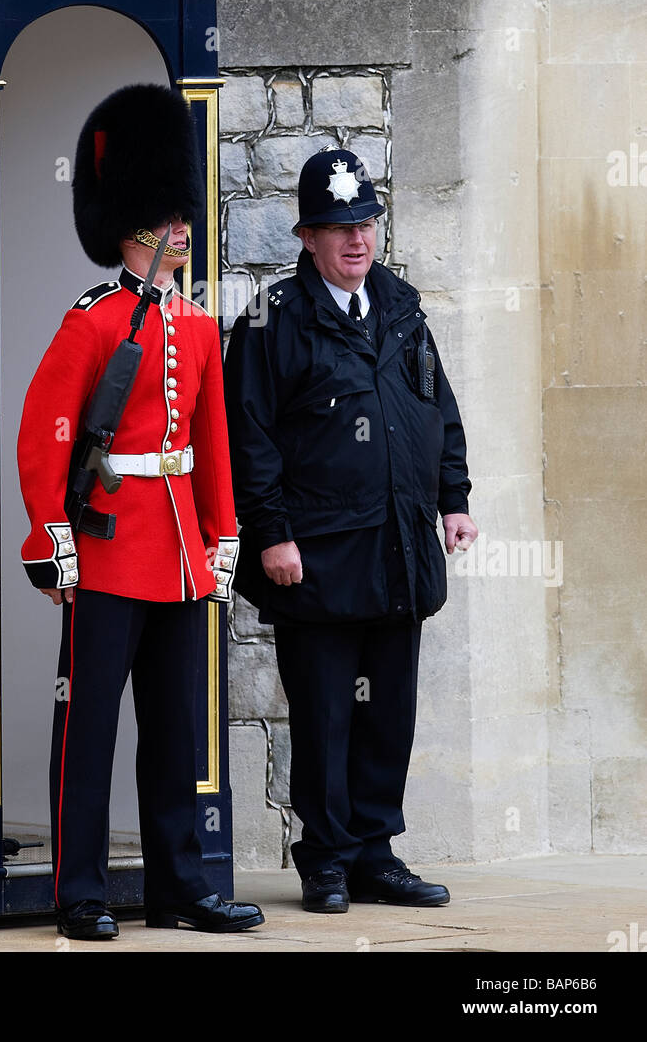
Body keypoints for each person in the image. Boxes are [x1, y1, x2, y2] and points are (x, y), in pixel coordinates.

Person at [17, 84, 263, 940]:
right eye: (167, 215)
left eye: (181, 213)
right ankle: (78, 893)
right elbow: (45, 438)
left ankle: (179, 887)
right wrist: (51, 535)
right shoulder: (92, 322)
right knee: (89, 735)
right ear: (132, 227)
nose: (183, 229)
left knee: (175, 734)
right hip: (110, 550)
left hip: (180, 554)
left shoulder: (196, 327)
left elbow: (212, 445)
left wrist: (222, 534)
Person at [223, 148, 478, 913]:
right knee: (328, 714)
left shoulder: (401, 308)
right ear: (307, 237)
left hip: (398, 551)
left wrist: (454, 497)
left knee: (386, 712)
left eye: (365, 222)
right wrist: (271, 534)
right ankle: (326, 859)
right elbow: (250, 438)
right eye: (338, 228)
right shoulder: (275, 322)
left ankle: (375, 852)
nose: (356, 239)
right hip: (319, 559)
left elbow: (439, 409)